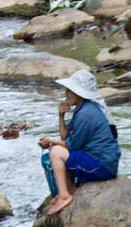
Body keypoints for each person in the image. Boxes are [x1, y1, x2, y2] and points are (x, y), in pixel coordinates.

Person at [39, 69, 120, 217]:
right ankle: (68, 189)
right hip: (99, 159)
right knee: (58, 149)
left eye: (69, 91)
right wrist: (61, 116)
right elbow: (66, 139)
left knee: (56, 152)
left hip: (102, 165)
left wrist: (50, 142)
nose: (66, 94)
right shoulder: (83, 109)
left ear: (79, 93)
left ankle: (64, 195)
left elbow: (72, 145)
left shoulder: (86, 113)